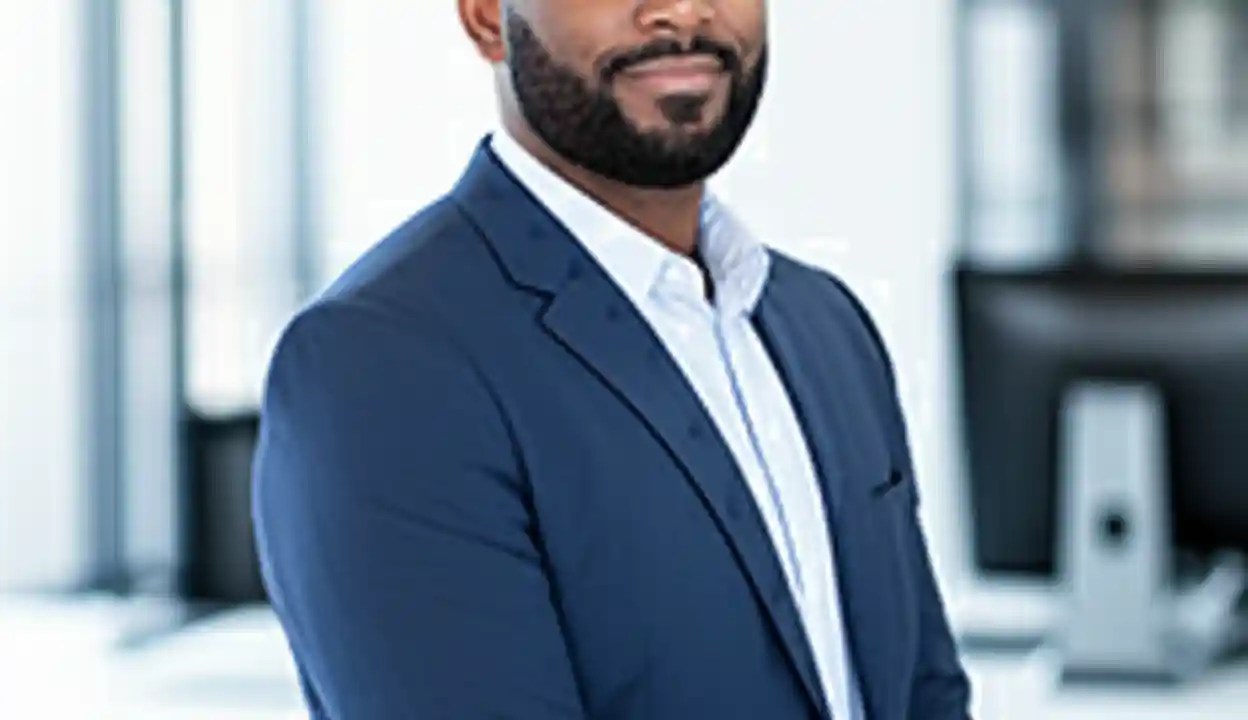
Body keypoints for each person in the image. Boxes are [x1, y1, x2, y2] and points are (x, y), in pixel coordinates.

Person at [252, 1, 972, 718]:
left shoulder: (824, 327)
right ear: (484, 18)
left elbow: (923, 696)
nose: (681, 12)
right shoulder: (381, 364)